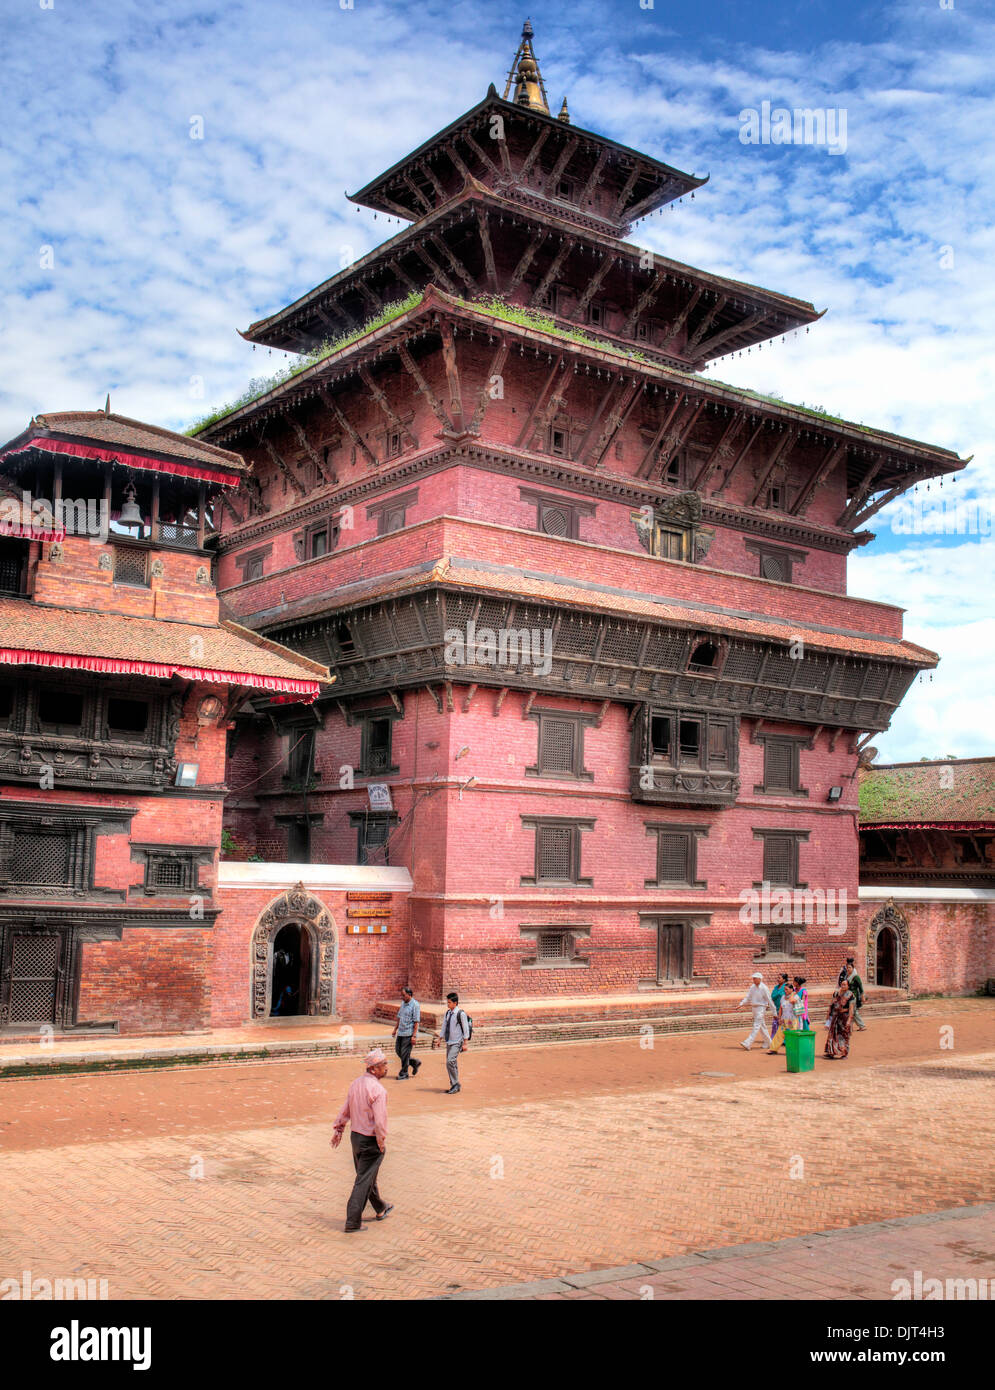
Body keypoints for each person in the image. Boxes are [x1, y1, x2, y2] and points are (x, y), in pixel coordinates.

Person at [330, 1047, 394, 1232]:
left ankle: (381, 1207)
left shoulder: (356, 1084)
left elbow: (346, 1109)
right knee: (363, 1180)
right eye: (383, 1065)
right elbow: (380, 1122)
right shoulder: (378, 1090)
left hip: (356, 1137)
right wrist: (381, 1142)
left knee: (366, 1175)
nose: (386, 1068)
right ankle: (352, 1222)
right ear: (373, 1069)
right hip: (370, 1140)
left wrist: (339, 1129)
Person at [431, 991, 470, 1092]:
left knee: (450, 1061)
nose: (448, 1004)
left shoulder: (461, 1014)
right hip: (449, 1041)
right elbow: (444, 1027)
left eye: (449, 1002)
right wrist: (439, 1039)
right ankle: (455, 1084)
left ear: (455, 1003)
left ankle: (455, 1083)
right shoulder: (448, 1013)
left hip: (457, 1042)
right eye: (447, 1002)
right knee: (452, 1063)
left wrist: (465, 1043)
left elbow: (465, 1029)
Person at [737, 971, 774, 1050]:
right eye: (753, 978)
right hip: (754, 1008)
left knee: (756, 1025)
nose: (753, 980)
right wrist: (741, 1004)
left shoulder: (764, 988)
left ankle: (748, 1042)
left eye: (755, 978)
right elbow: (748, 997)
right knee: (761, 1026)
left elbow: (769, 1000)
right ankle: (769, 1043)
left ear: (760, 979)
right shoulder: (752, 987)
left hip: (761, 1008)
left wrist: (774, 1012)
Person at [391, 986, 422, 1079]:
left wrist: (414, 1036)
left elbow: (416, 1021)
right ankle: (414, 1062)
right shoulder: (403, 1003)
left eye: (404, 995)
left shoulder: (415, 1005)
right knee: (398, 1051)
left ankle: (404, 1073)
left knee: (405, 1053)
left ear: (409, 995)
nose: (402, 997)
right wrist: (395, 1029)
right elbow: (399, 1017)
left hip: (409, 1033)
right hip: (401, 1032)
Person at [765, 982, 799, 1054]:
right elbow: (781, 1008)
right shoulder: (783, 997)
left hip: (792, 1020)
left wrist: (792, 994)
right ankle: (773, 1049)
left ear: (791, 989)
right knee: (779, 1034)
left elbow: (791, 1001)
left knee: (791, 1035)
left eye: (786, 989)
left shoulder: (796, 997)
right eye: (784, 989)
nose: (785, 991)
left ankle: (792, 1051)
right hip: (784, 1019)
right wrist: (779, 1018)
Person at [825, 983, 855, 1059]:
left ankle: (844, 1053)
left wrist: (849, 1020)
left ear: (848, 986)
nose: (843, 986)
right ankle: (831, 1052)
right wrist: (828, 1014)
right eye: (842, 984)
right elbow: (831, 1004)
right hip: (835, 1016)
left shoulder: (850, 995)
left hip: (844, 1017)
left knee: (844, 1036)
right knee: (832, 1034)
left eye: (845, 984)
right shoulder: (836, 993)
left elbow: (851, 1008)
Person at [844, 958, 866, 1030]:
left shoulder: (856, 977)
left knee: (853, 1011)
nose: (848, 969)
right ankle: (858, 1026)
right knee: (853, 1011)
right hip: (847, 996)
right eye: (847, 968)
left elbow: (860, 987)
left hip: (854, 996)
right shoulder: (847, 977)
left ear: (853, 968)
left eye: (849, 967)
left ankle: (860, 1026)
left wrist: (862, 996)